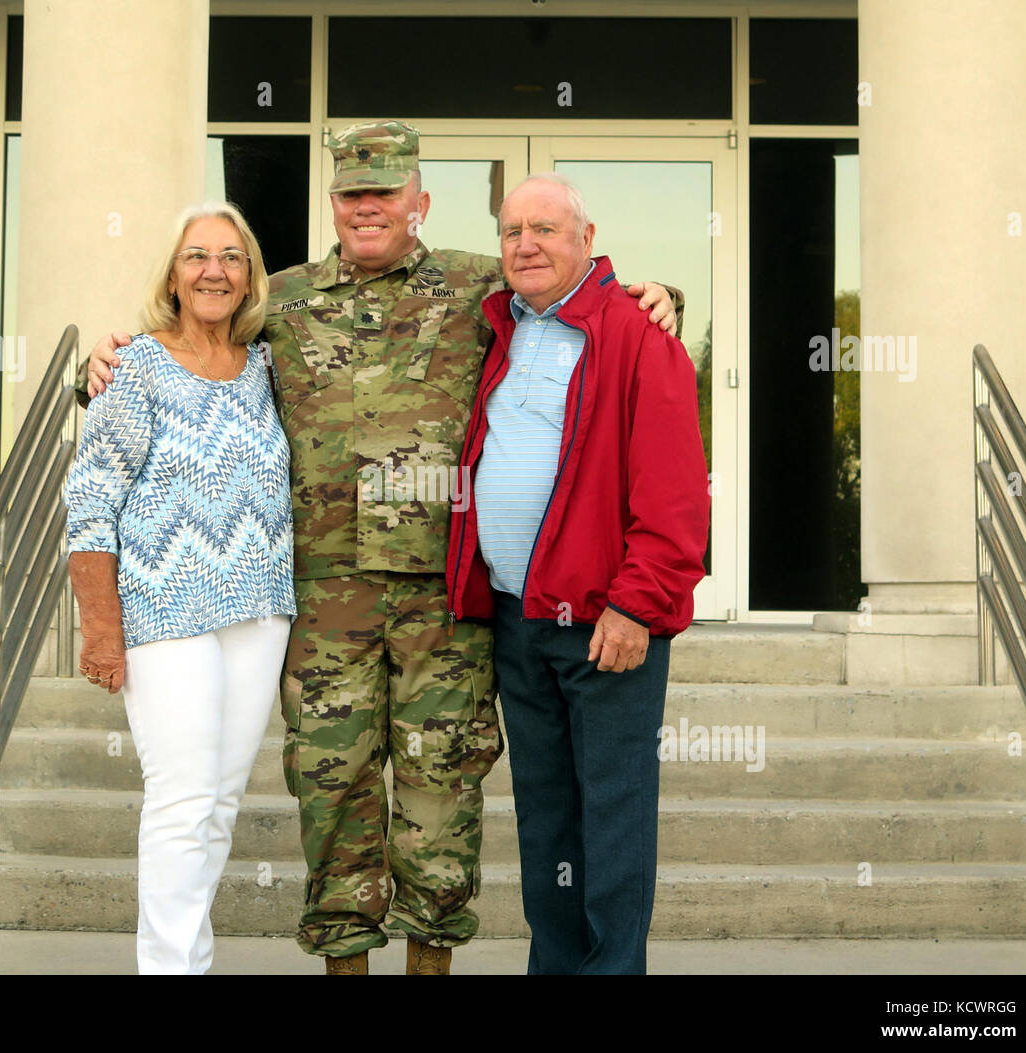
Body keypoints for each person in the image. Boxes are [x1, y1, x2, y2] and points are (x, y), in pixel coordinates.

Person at [80, 121, 682, 975]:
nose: (368, 208)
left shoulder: (480, 286)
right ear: (333, 204)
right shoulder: (277, 300)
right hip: (324, 603)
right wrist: (99, 363)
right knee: (334, 794)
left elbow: (577, 302)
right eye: (353, 194)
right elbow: (190, 350)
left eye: (386, 193)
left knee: (443, 796)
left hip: (446, 602)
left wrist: (659, 295)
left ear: (419, 203)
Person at [447, 173, 710, 974]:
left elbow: (674, 495)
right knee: (547, 825)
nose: (525, 244)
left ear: (586, 240)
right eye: (511, 231)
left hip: (608, 626)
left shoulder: (636, 331)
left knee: (614, 825)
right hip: (519, 620)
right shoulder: (498, 329)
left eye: (545, 229)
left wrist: (638, 605)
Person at [63, 202, 296, 975]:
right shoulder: (135, 367)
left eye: (231, 257)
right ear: (172, 273)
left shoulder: (267, 367)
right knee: (183, 797)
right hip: (166, 612)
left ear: (250, 276)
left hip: (258, 614)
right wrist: (101, 628)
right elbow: (90, 500)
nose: (214, 270)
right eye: (197, 255)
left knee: (220, 803)